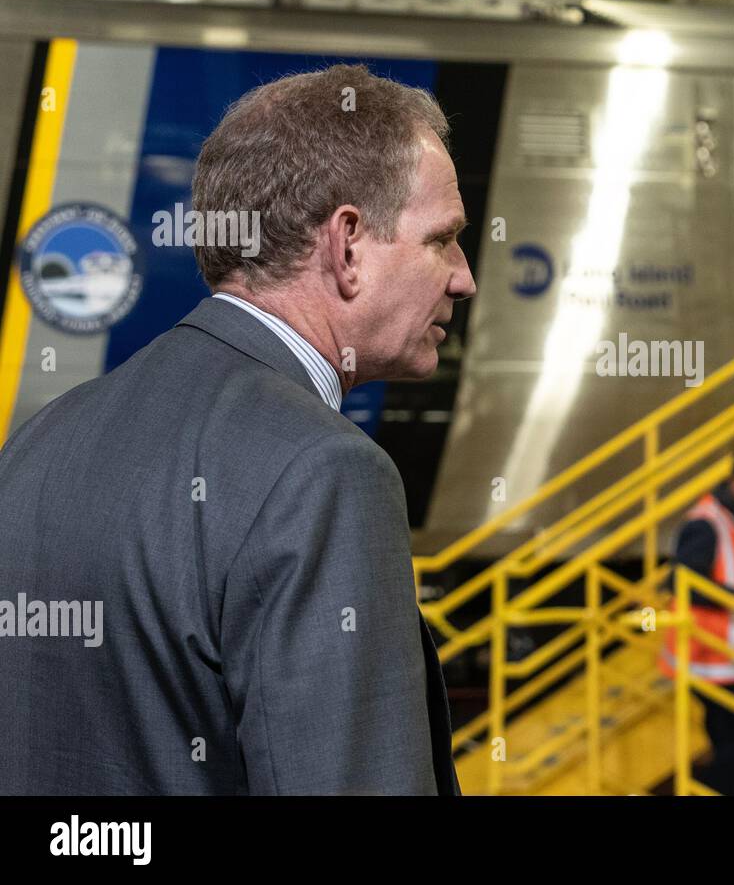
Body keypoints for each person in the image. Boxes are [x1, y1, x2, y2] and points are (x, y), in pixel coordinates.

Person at [0, 64, 473, 794]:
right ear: (347, 245)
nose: (464, 277)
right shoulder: (323, 471)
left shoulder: (41, 441)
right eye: (443, 240)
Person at [658, 447, 734, 795]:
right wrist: (731, 598)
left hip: (731, 657)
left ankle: (710, 786)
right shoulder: (707, 522)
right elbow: (680, 581)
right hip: (706, 655)